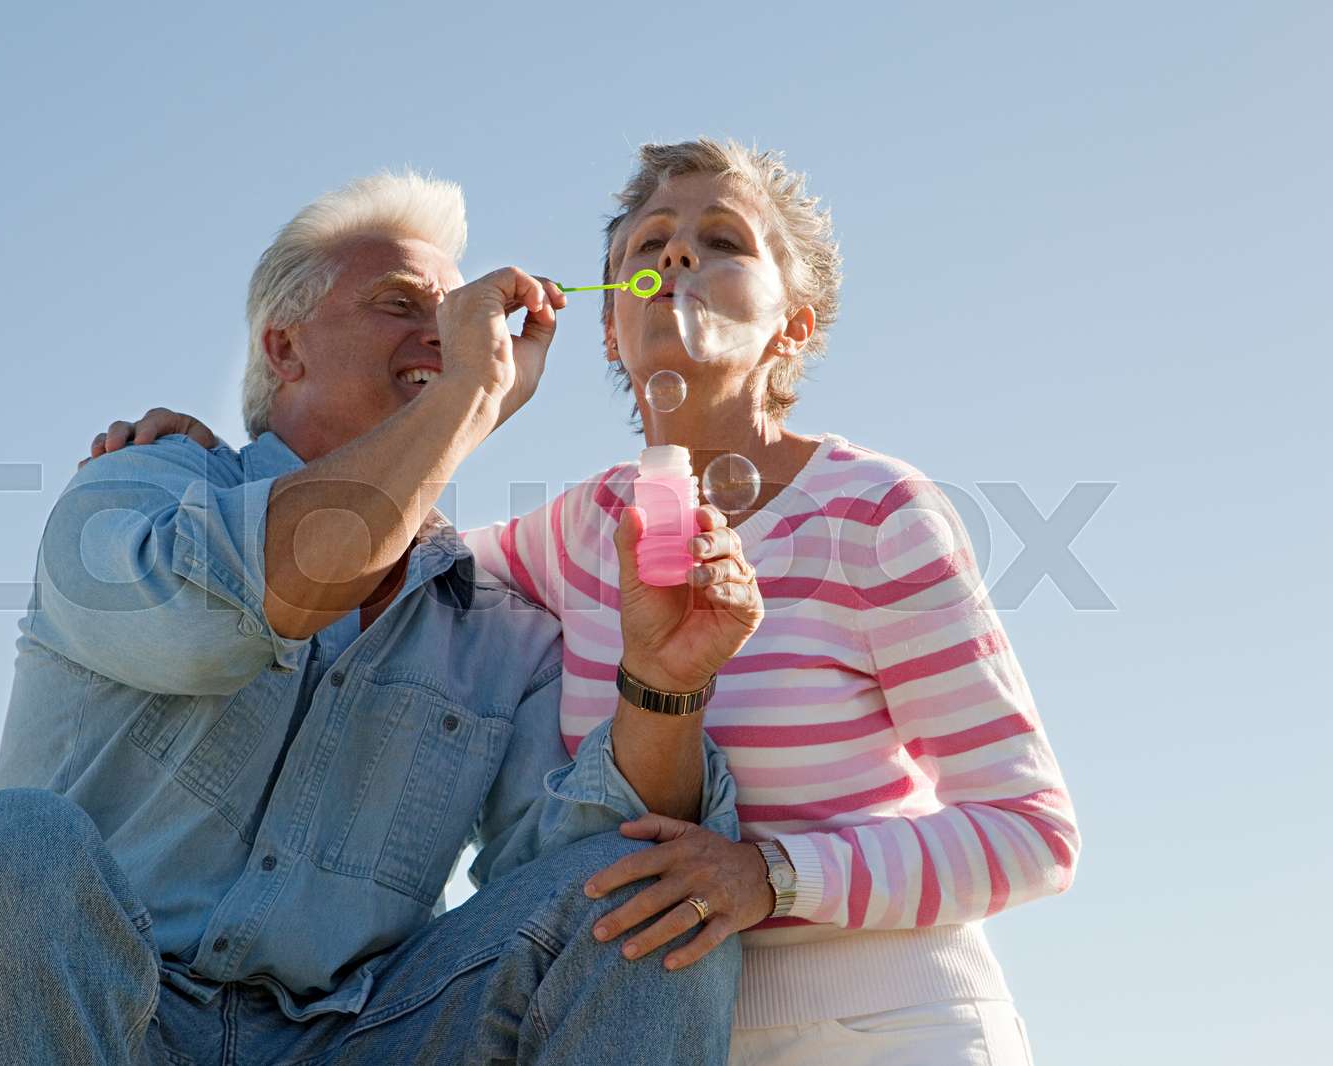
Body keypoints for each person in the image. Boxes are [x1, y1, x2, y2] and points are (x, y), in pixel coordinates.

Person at [100, 139, 1081, 1065]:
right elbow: (371, 555)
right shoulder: (580, 529)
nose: (678, 249)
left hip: (891, 1025)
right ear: (612, 325)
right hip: (668, 1024)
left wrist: (773, 875)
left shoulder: (875, 512)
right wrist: (218, 471)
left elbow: (1032, 833)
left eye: (723, 239)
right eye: (649, 242)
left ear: (794, 324)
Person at [0, 170, 771, 1066]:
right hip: (101, 1020)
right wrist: (467, 394)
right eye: (399, 303)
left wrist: (664, 683)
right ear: (285, 348)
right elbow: (231, 612)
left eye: (456, 309)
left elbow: (585, 859)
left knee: (653, 900)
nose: (446, 328)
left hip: (356, 1037)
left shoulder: (502, 627)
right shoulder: (138, 491)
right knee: (1, 847)